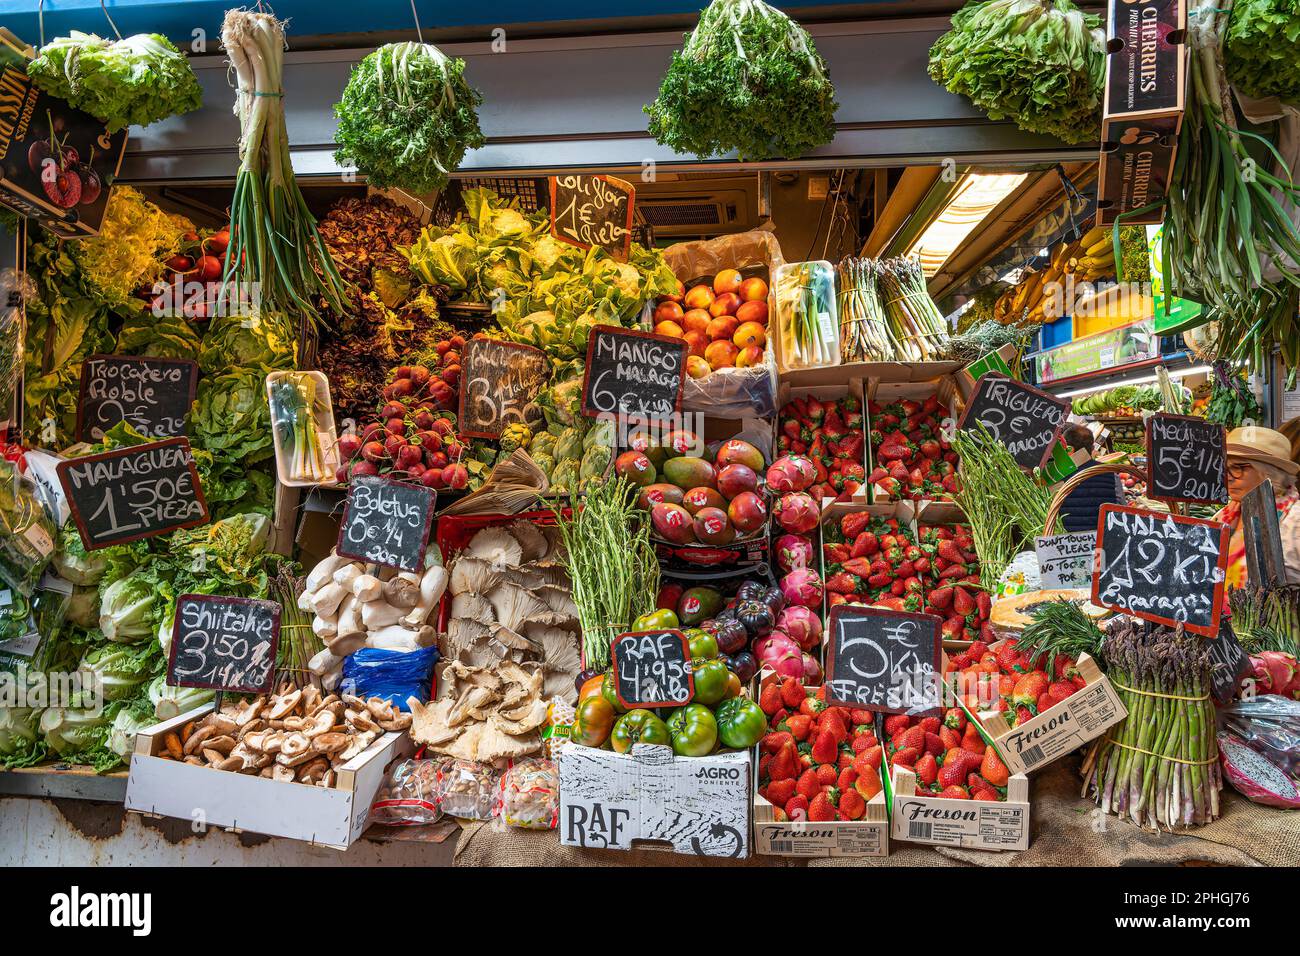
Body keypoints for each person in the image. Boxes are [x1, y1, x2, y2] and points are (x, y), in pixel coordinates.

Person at [1214, 425, 1300, 588]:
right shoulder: (1225, 515)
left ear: (1269, 473)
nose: (1229, 478)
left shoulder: (1294, 521)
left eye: (1238, 468)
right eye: (1225, 468)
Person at [1058, 423, 1123, 533]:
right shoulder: (1109, 472)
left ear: (1069, 449)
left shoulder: (1056, 474)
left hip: (1065, 542)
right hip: (1102, 539)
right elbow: (1121, 506)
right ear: (1092, 448)